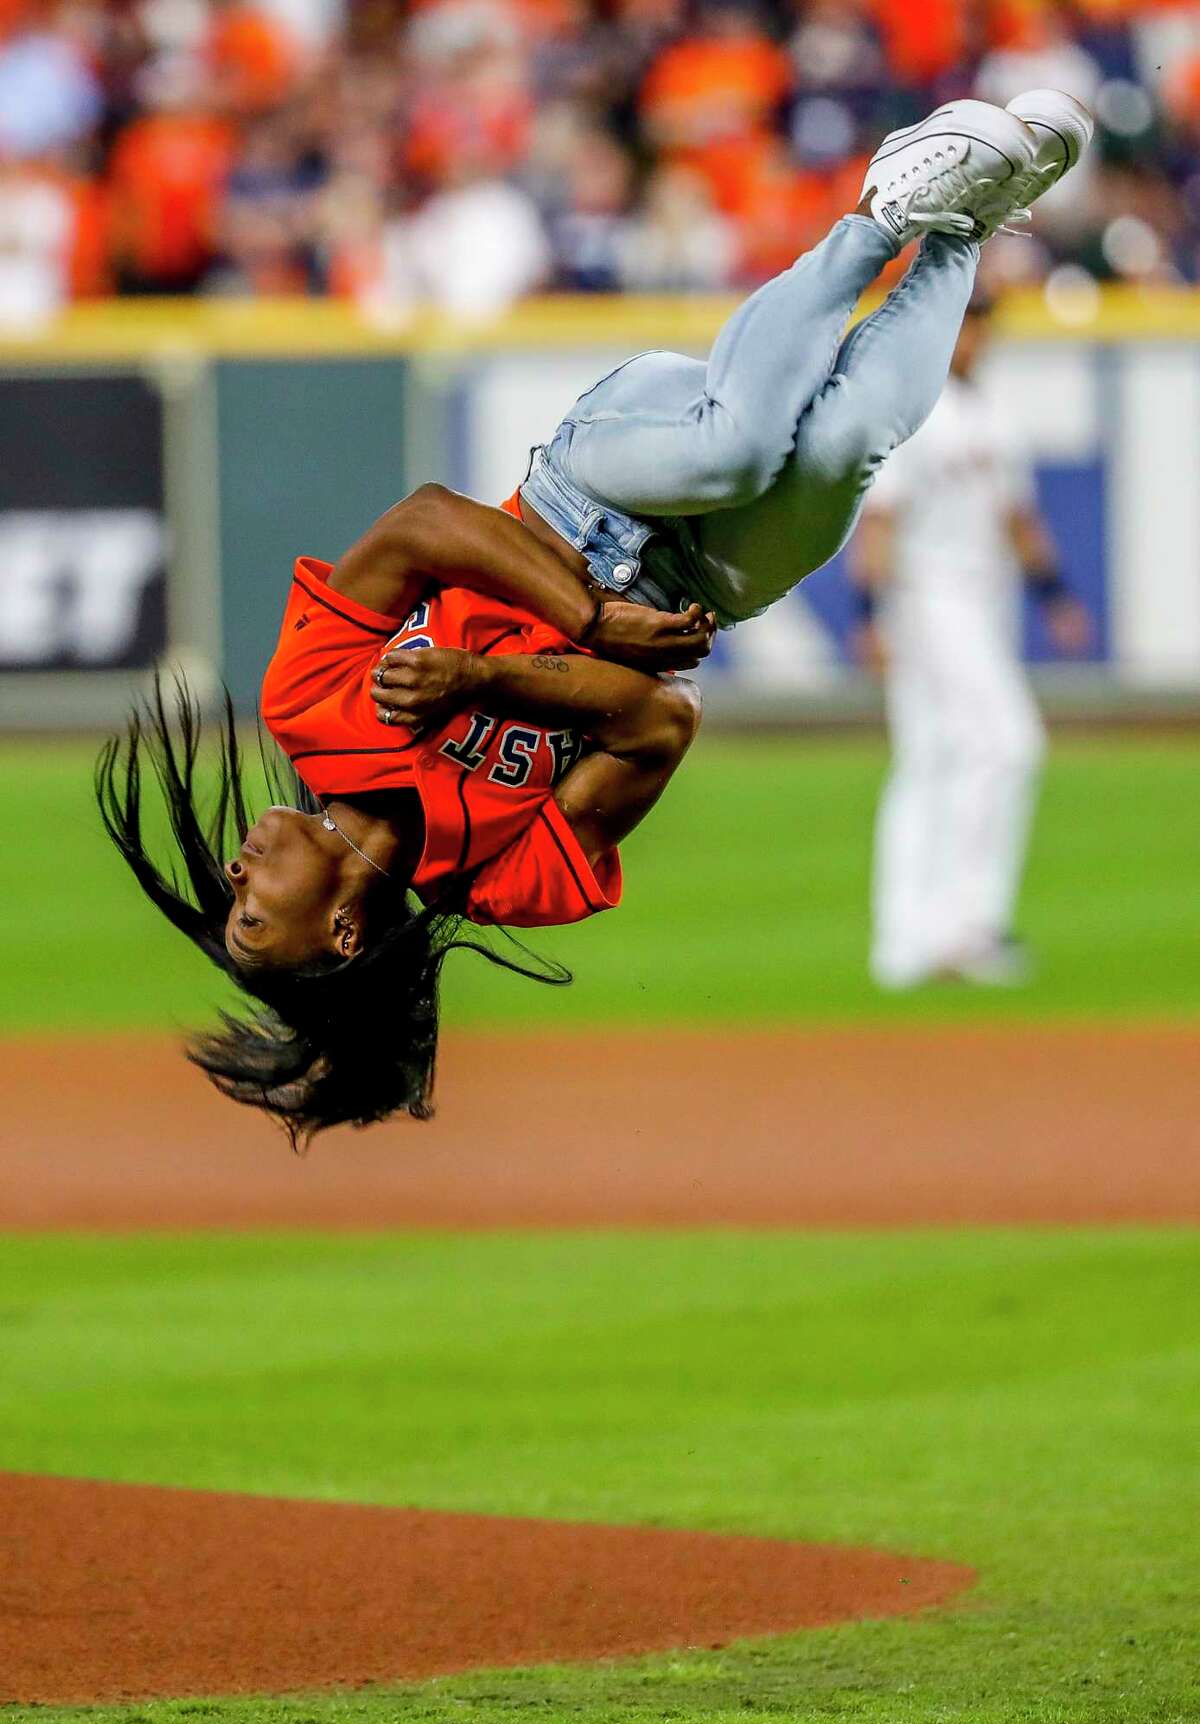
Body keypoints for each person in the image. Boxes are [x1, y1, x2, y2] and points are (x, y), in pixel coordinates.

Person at [98, 92, 1091, 1141]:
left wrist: (582, 616)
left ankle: (883, 211)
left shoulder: (307, 705)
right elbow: (662, 728)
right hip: (702, 587)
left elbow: (429, 522)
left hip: (589, 489)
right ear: (343, 930)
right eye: (253, 912)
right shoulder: (510, 881)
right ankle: (972, 219)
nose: (241, 871)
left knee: (740, 445)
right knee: (848, 447)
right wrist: (491, 677)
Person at [852, 291, 1092, 989]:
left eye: (982, 325)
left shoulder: (994, 416)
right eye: (966, 325)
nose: (976, 338)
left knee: (929, 757)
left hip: (985, 601)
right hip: (926, 599)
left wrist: (1056, 598)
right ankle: (965, 926)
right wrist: (869, 615)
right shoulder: (910, 415)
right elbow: (880, 524)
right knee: (1009, 743)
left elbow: (1017, 519)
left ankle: (906, 943)